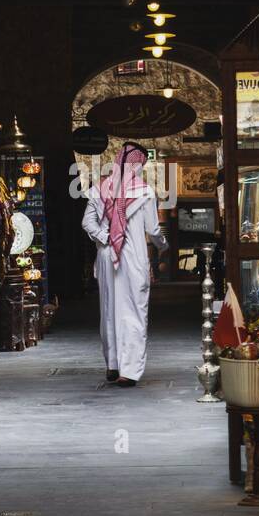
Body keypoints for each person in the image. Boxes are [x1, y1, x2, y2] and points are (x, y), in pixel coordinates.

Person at [82, 141, 166, 387]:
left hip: (107, 255)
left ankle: (112, 364)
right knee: (134, 311)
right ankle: (128, 371)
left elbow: (88, 223)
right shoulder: (145, 192)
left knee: (109, 309)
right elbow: (153, 229)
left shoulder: (100, 188)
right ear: (138, 165)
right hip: (133, 256)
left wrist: (105, 237)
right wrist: (163, 246)